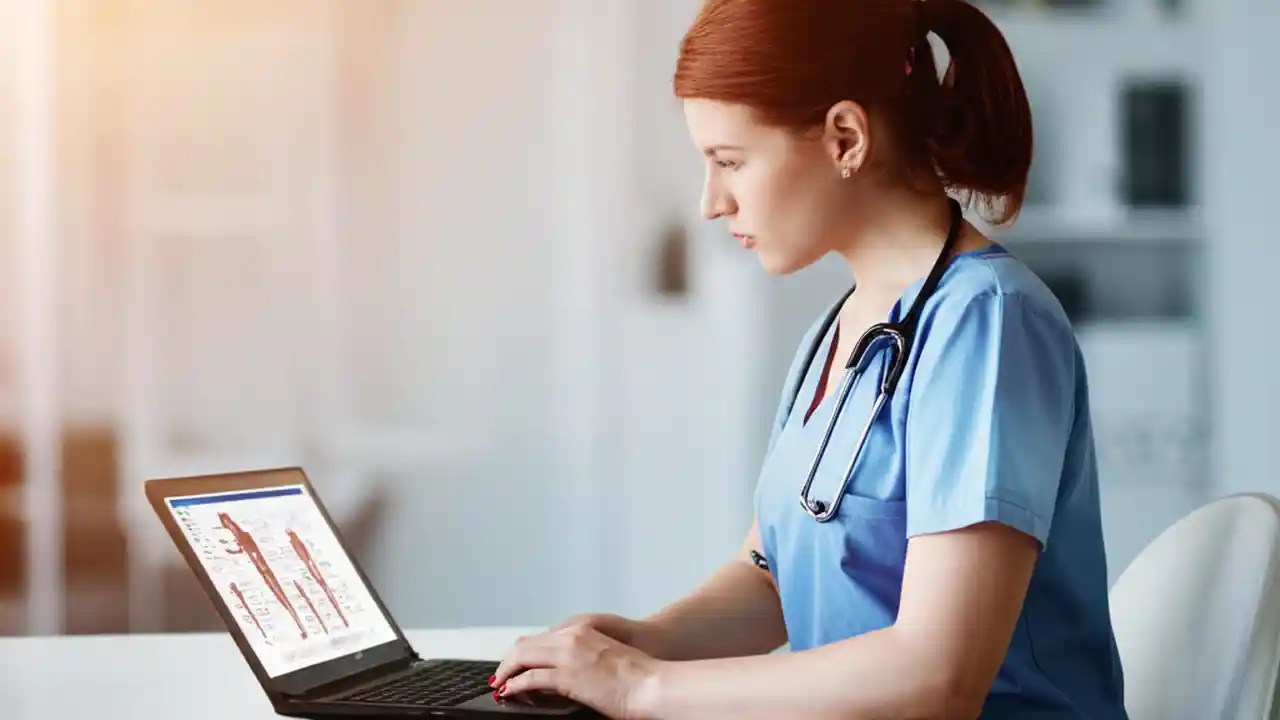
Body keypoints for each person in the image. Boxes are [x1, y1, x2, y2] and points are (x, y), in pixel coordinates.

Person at [491, 0, 1128, 717]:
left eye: (729, 161)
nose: (710, 202)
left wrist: (642, 687)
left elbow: (937, 677)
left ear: (846, 137)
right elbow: (772, 581)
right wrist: (644, 642)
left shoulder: (986, 323)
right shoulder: (842, 329)